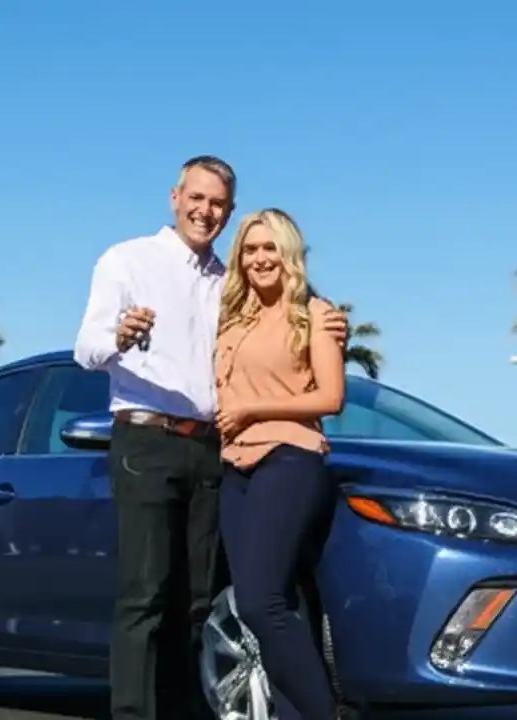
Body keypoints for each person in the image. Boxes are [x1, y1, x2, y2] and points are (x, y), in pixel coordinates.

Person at [73, 155, 350, 720]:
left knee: (197, 600)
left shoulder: (231, 281)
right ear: (175, 196)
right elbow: (86, 350)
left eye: (218, 204)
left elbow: (292, 311)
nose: (205, 211)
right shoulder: (128, 260)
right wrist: (120, 336)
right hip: (147, 441)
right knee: (145, 595)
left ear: (227, 212)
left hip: (213, 449)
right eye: (196, 198)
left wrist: (329, 321)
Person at [212, 208, 347, 720]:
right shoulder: (233, 319)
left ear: (288, 255)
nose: (260, 259)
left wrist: (251, 409)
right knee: (274, 608)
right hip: (234, 467)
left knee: (260, 602)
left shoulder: (315, 313)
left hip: (287, 457)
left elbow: (331, 396)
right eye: (250, 249)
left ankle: (324, 713)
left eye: (270, 248)